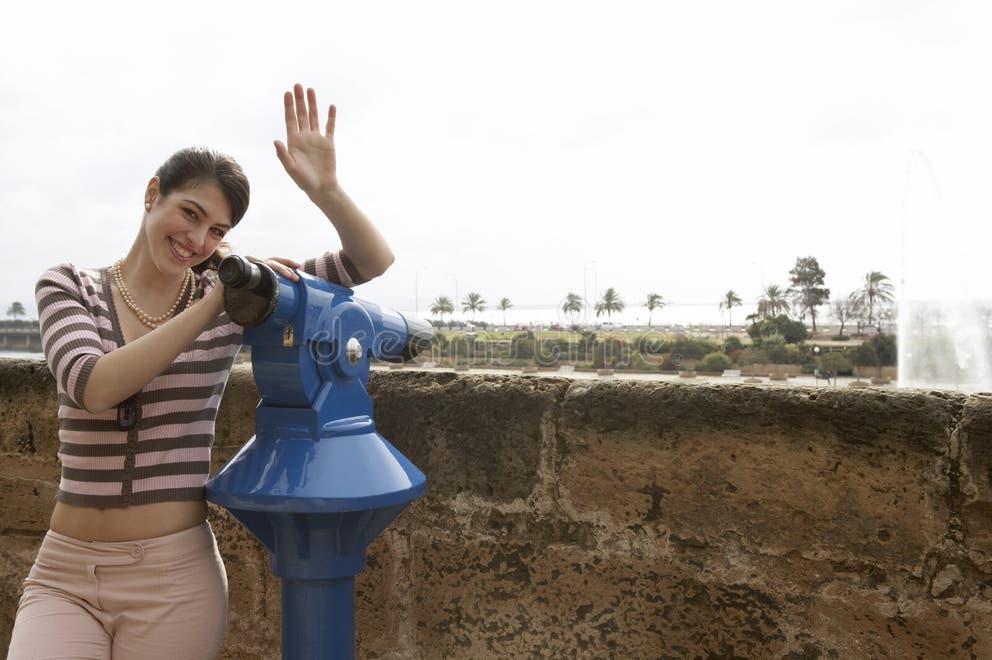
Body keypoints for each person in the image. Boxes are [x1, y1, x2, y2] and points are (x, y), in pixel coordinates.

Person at [6, 84, 394, 660]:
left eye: (216, 230)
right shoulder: (69, 286)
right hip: (66, 572)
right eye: (190, 213)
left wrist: (327, 191)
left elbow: (369, 261)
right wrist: (216, 300)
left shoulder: (236, 297)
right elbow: (93, 385)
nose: (196, 239)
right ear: (152, 194)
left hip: (174, 579)